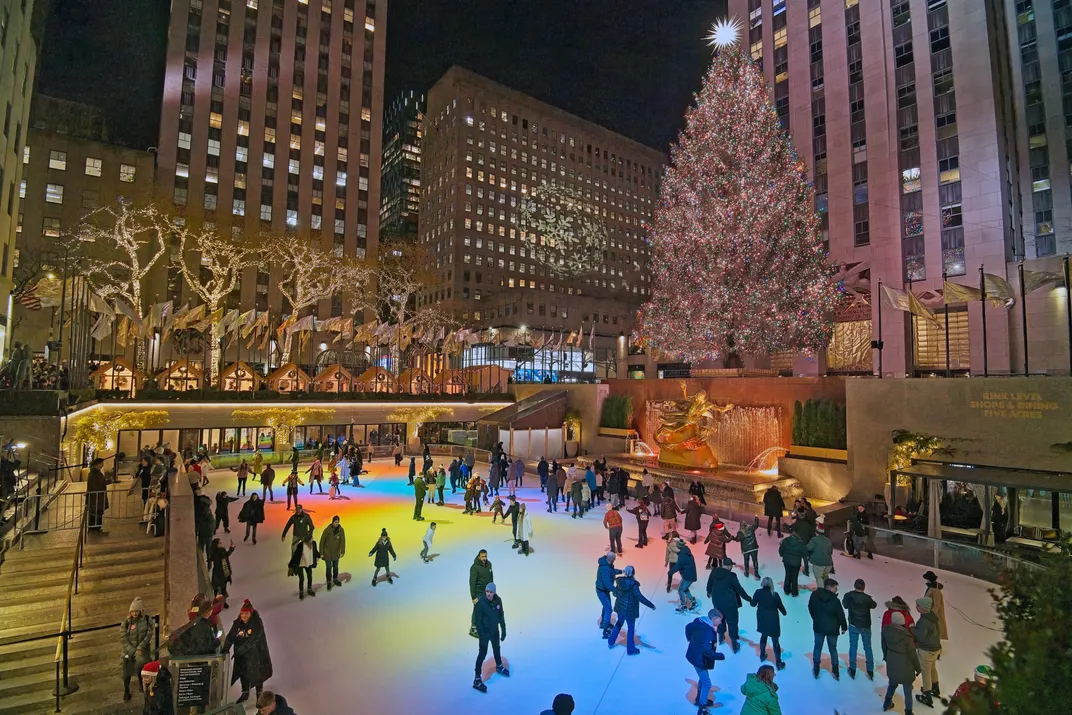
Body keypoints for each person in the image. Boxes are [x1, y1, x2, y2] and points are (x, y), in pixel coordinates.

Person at [223, 600, 273, 704]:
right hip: (242, 656)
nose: (244, 616)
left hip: (256, 655)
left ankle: (259, 695)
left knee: (257, 675)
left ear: (250, 614)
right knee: (243, 673)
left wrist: (240, 650)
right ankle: (245, 692)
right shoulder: (238, 623)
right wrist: (225, 648)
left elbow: (253, 639)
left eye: (246, 614)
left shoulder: (257, 624)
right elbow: (231, 635)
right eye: (242, 614)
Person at [607, 565, 656, 656]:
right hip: (630, 610)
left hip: (620, 608)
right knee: (631, 628)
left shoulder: (619, 581)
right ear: (633, 573)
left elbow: (615, 593)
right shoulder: (633, 584)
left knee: (618, 624)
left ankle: (610, 641)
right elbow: (640, 597)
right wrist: (651, 605)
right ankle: (631, 649)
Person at [686, 609, 725, 714]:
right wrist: (719, 656)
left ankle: (699, 698)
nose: (721, 622)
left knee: (702, 679)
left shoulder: (700, 622)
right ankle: (702, 708)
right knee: (707, 684)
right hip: (699, 659)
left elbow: (688, 627)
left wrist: (690, 639)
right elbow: (707, 652)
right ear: (714, 619)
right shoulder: (708, 632)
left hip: (694, 655)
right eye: (720, 620)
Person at [707, 557, 751, 651]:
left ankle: (721, 636)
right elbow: (739, 589)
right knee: (732, 622)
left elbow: (709, 583)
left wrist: (709, 592)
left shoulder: (714, 572)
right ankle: (734, 644)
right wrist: (748, 599)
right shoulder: (731, 576)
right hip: (730, 603)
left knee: (720, 619)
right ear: (730, 566)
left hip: (717, 601)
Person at [471, 582, 509, 692]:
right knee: (482, 654)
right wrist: (482, 635)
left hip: (494, 631)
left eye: (490, 592)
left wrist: (503, 630)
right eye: (487, 591)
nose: (488, 594)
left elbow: (501, 615)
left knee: (497, 648)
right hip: (485, 633)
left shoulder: (498, 601)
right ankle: (477, 678)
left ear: (494, 593)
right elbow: (477, 622)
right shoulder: (480, 604)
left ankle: (499, 666)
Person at [808, 578, 848, 680]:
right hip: (832, 629)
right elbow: (840, 615)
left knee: (817, 647)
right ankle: (835, 669)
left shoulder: (815, 595)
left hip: (818, 627)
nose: (836, 589)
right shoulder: (835, 600)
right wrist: (843, 626)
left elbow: (810, 607)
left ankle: (816, 667)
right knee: (833, 649)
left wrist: (815, 618)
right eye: (835, 587)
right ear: (829, 587)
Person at [882, 611, 921, 713]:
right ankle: (908, 711)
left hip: (892, 665)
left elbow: (884, 647)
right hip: (906, 668)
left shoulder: (886, 631)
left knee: (892, 685)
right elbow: (913, 655)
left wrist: (887, 659)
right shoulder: (907, 637)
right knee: (907, 691)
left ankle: (886, 703)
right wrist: (918, 668)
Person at [842, 578, 877, 680]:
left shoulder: (849, 596)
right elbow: (874, 605)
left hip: (853, 624)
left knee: (853, 646)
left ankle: (852, 668)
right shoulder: (867, 598)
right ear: (864, 587)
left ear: (854, 585)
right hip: (865, 626)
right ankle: (870, 669)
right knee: (868, 647)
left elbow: (845, 605)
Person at [121, 597, 153, 701]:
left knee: (143, 665)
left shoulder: (147, 620)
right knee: (126, 672)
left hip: (142, 649)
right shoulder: (126, 623)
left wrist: (140, 647)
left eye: (136, 611)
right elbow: (124, 639)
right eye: (132, 611)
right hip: (129, 651)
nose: (134, 613)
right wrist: (133, 651)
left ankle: (142, 684)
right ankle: (126, 690)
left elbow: (148, 634)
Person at [751, 577, 787, 670]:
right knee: (775, 641)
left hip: (762, 618)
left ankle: (762, 655)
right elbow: (781, 607)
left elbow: (753, 604)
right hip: (773, 620)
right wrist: (784, 612)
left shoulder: (758, 592)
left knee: (764, 636)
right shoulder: (774, 595)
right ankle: (778, 663)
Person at [914, 597, 943, 706]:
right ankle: (935, 688)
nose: (916, 607)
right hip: (935, 648)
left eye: (917, 605)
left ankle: (927, 695)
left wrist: (912, 628)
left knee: (925, 671)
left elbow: (920, 636)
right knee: (932, 668)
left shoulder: (924, 621)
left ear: (922, 608)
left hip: (926, 649)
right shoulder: (933, 617)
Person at [596, 552, 622, 638]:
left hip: (604, 590)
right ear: (610, 559)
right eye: (613, 560)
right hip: (601, 590)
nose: (614, 562)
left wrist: (621, 571)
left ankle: (603, 622)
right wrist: (615, 590)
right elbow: (607, 582)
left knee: (606, 606)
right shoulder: (605, 568)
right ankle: (606, 629)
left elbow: (612, 571)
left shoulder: (606, 565)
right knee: (609, 609)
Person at [469, 549, 494, 638]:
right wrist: (473, 597)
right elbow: (472, 583)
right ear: (479, 557)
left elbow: (491, 578)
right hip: (478, 593)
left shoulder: (489, 564)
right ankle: (473, 628)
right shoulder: (474, 568)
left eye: (485, 556)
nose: (484, 558)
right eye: (482, 556)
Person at [671, 538, 699, 612]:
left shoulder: (682, 555)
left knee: (680, 589)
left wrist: (671, 572)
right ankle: (693, 602)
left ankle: (683, 605)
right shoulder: (685, 551)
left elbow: (678, 565)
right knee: (685, 588)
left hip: (688, 576)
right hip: (690, 575)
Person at [318, 515, 346, 591]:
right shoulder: (327, 530)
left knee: (336, 567)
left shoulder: (341, 530)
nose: (336, 523)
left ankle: (335, 579)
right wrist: (321, 553)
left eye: (337, 522)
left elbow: (343, 541)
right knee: (328, 568)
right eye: (335, 522)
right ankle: (329, 581)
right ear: (332, 522)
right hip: (327, 553)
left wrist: (342, 551)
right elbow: (322, 542)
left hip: (336, 553)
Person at [289, 533, 319, 600]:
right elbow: (295, 556)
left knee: (309, 576)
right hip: (300, 564)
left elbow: (315, 551)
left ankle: (309, 589)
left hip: (308, 563)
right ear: (308, 540)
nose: (313, 539)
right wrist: (290, 565)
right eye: (311, 538)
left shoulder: (313, 544)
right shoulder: (301, 545)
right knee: (301, 579)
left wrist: (319, 555)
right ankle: (301, 592)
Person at [777, 531, 807, 597]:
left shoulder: (785, 541)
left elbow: (780, 550)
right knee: (794, 577)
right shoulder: (800, 544)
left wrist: (783, 555)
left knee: (787, 574)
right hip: (796, 563)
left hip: (786, 561)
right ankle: (794, 592)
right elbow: (805, 553)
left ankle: (786, 590)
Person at [209, 536, 236, 607]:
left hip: (224, 573)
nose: (221, 544)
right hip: (218, 574)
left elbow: (226, 556)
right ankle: (215, 602)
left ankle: (223, 602)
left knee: (223, 589)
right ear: (216, 545)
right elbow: (224, 555)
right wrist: (231, 548)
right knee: (217, 589)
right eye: (220, 543)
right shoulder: (215, 553)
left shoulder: (222, 550)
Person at [807, 518, 835, 586]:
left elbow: (808, 548)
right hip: (828, 564)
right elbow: (831, 552)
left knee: (819, 578)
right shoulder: (828, 541)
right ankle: (827, 590)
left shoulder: (814, 540)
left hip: (818, 563)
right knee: (825, 577)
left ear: (816, 532)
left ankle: (821, 593)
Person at [921, 570, 948, 641]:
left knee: (937, 632)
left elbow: (937, 605)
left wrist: (931, 614)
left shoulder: (936, 590)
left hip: (934, 616)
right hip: (929, 614)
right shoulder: (931, 588)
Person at [87, 457, 108, 532]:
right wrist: (107, 482)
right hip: (96, 497)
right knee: (96, 512)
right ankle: (94, 527)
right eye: (101, 464)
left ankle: (97, 526)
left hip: (98, 496)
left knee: (98, 512)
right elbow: (98, 484)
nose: (102, 465)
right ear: (97, 464)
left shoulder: (96, 472)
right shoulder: (94, 473)